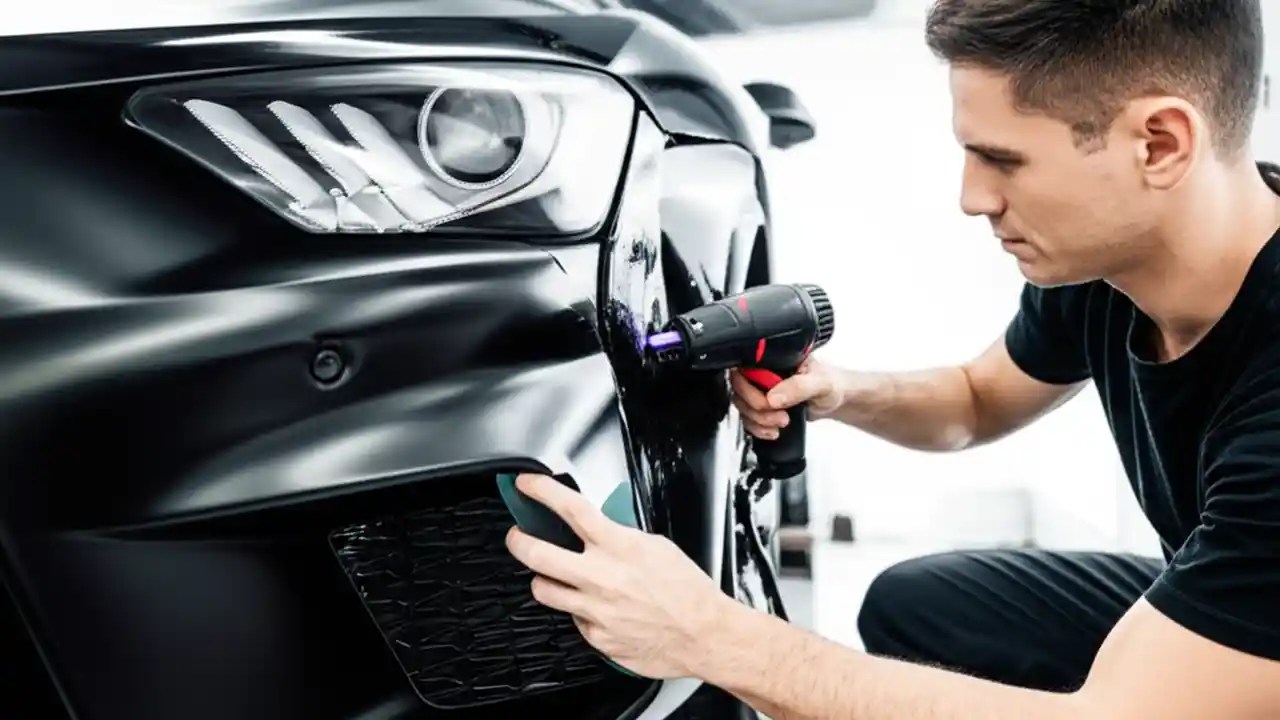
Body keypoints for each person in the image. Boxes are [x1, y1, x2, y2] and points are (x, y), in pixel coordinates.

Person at [503, 0, 1280, 716]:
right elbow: (978, 400)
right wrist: (840, 392)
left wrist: (712, 636)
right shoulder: (1113, 263)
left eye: (1002, 160)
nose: (973, 198)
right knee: (919, 609)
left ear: (1160, 144)